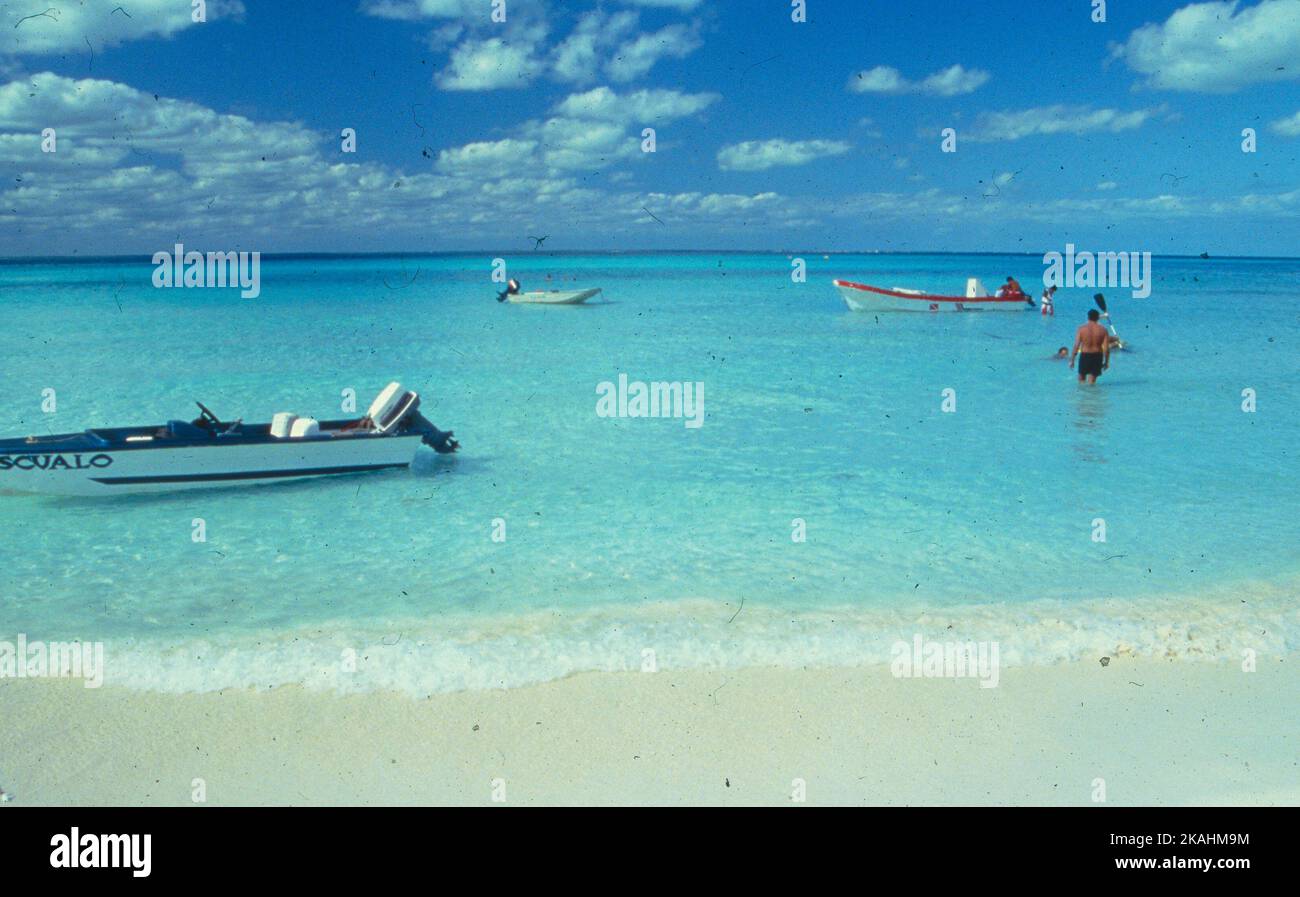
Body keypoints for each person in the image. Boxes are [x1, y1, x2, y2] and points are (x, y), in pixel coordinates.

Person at [1070, 309, 1110, 384]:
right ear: (1098, 318)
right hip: (1097, 356)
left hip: (1085, 355)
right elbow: (1106, 349)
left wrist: (1072, 360)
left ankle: (1082, 395)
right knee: (1092, 381)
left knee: (1081, 380)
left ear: (1088, 317)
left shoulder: (1081, 329)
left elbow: (1076, 346)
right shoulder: (1103, 330)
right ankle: (1092, 395)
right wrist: (1107, 362)